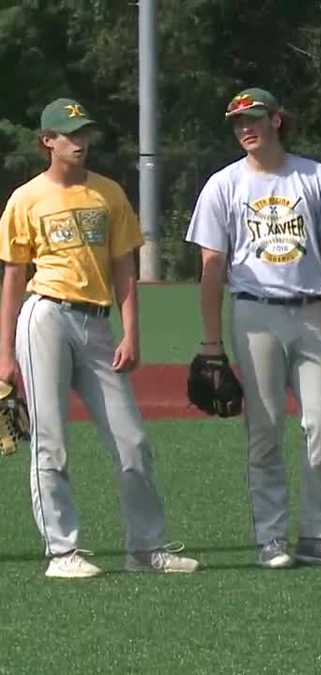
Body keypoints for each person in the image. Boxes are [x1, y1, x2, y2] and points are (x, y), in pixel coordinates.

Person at [0, 98, 200, 578]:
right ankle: (62, 551)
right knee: (50, 439)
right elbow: (13, 274)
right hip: (44, 315)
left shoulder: (108, 193)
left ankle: (146, 548)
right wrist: (4, 352)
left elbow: (124, 268)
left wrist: (132, 332)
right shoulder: (26, 198)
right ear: (47, 141)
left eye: (84, 132)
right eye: (70, 134)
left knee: (131, 441)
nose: (80, 141)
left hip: (96, 323)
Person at [185, 87, 321, 569]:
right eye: (238, 122)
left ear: (277, 120)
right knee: (264, 431)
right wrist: (211, 346)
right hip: (254, 313)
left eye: (254, 118)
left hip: (309, 314)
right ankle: (271, 539)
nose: (245, 128)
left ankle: (319, 536)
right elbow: (211, 267)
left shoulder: (315, 177)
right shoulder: (223, 185)